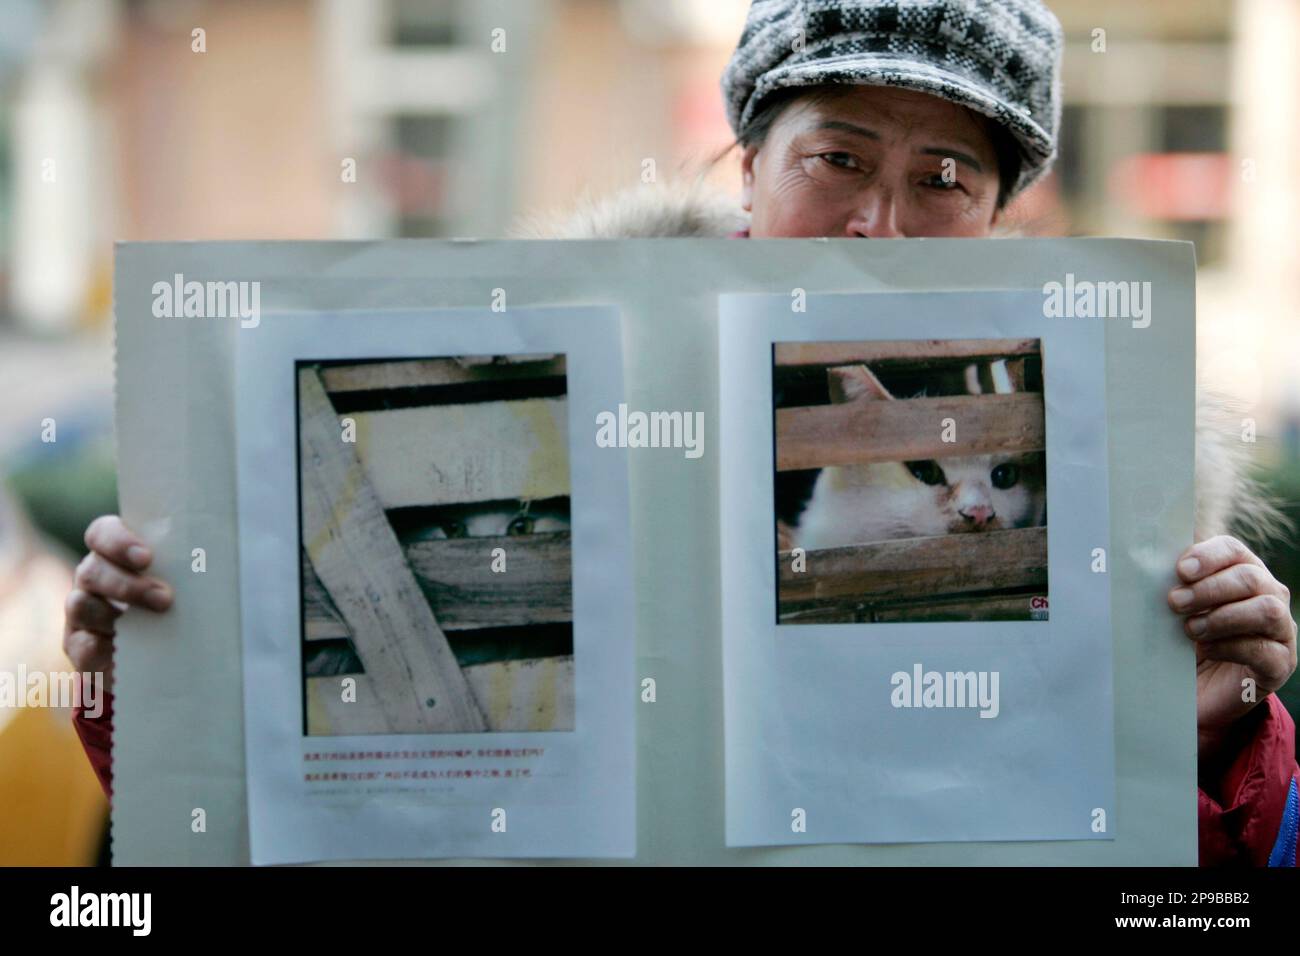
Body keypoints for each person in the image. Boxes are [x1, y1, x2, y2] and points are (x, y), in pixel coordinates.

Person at [66, 0, 1298, 865]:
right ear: (746, 164)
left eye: (943, 178)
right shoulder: (507, 375)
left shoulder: (1079, 477)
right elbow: (262, 828)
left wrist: (1214, 733)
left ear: (995, 212)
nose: (878, 222)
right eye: (837, 155)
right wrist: (158, 673)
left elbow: (1170, 891)